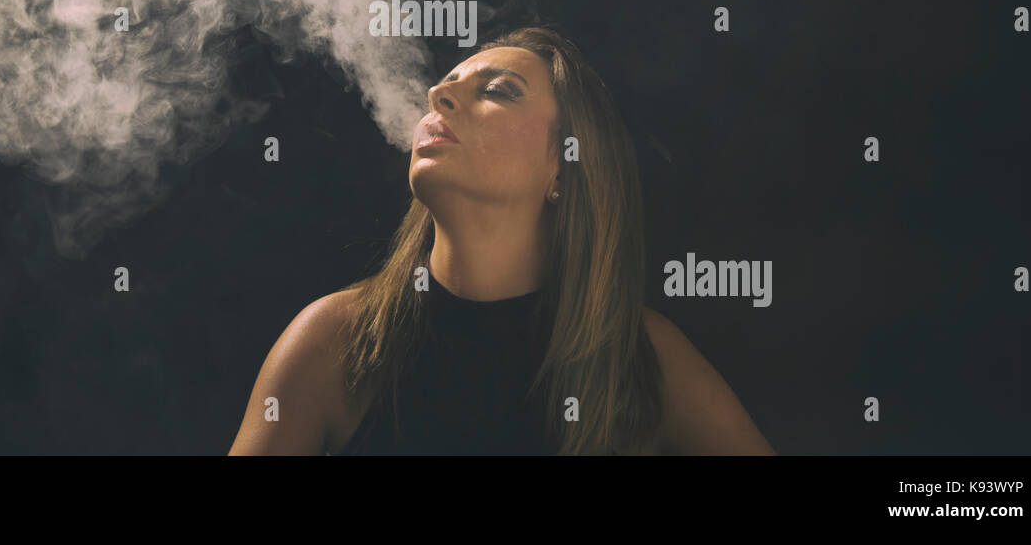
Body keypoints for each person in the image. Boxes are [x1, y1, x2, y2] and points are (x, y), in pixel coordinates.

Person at [229, 26, 775, 454]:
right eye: (445, 84)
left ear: (564, 170)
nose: (438, 93)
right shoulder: (333, 341)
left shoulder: (639, 356)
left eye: (496, 91)